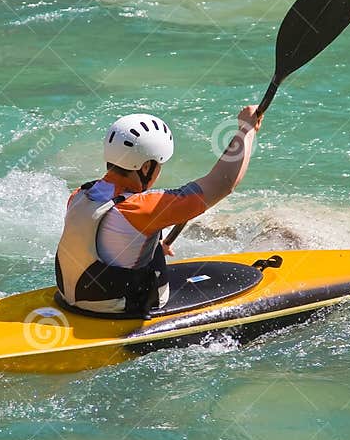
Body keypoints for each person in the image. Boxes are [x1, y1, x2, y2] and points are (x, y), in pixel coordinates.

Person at [55, 105, 261, 315]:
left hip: (74, 299)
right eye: (158, 165)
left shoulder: (80, 194)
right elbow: (223, 183)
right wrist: (246, 129)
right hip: (118, 307)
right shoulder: (141, 208)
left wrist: (146, 245)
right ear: (146, 168)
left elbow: (100, 240)